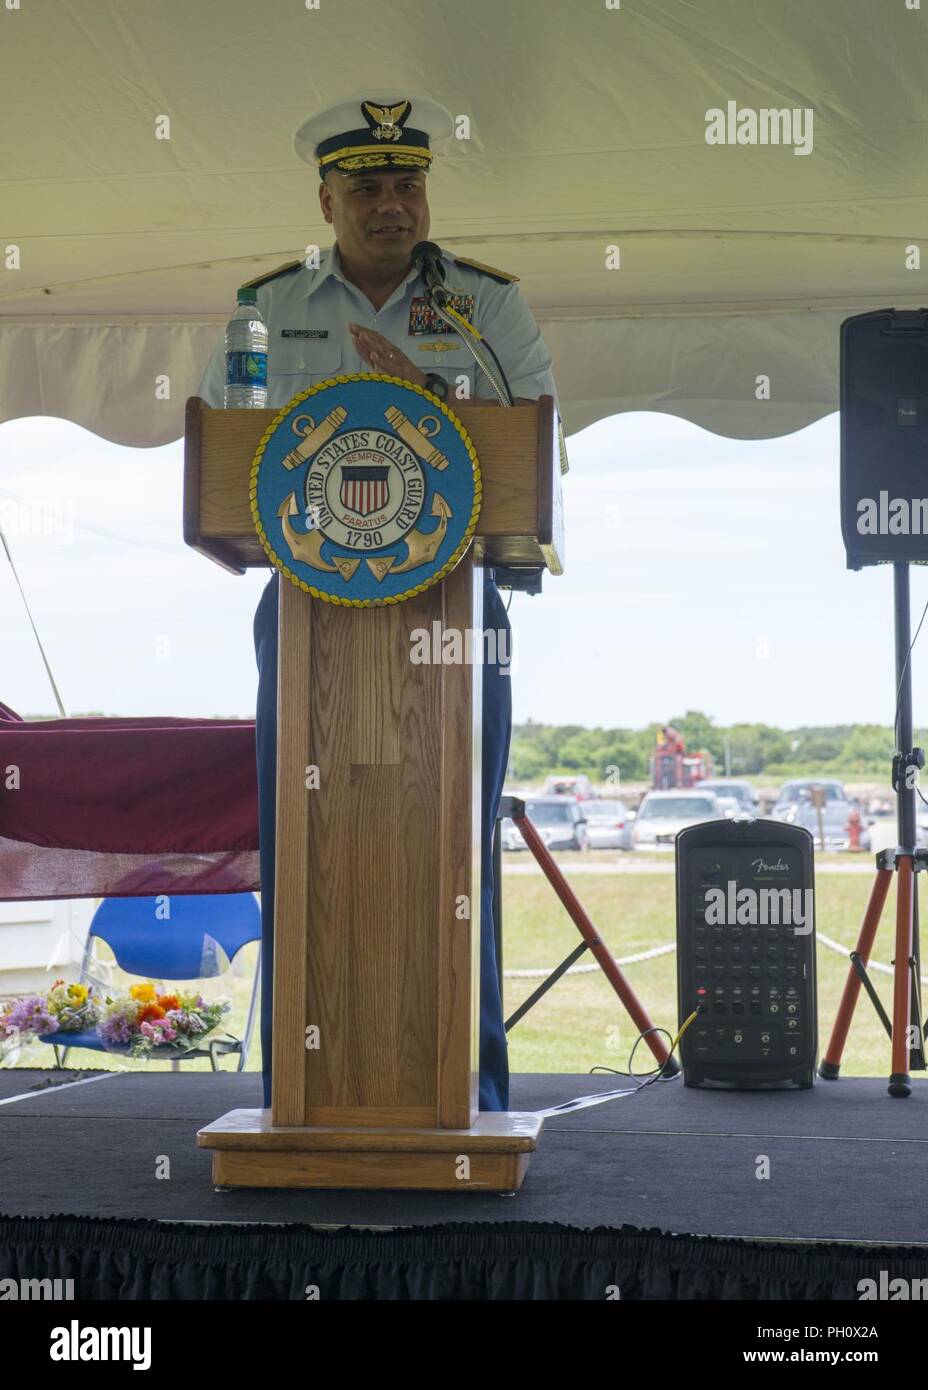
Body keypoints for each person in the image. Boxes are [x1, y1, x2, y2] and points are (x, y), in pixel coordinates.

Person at [198, 92, 558, 1112]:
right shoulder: (268, 306)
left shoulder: (487, 307)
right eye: (367, 186)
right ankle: (300, 1098)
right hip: (310, 607)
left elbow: (536, 438)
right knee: (303, 840)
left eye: (407, 183)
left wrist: (433, 399)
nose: (390, 202)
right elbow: (226, 444)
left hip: (456, 604)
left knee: (457, 853)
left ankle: (467, 1101)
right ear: (327, 198)